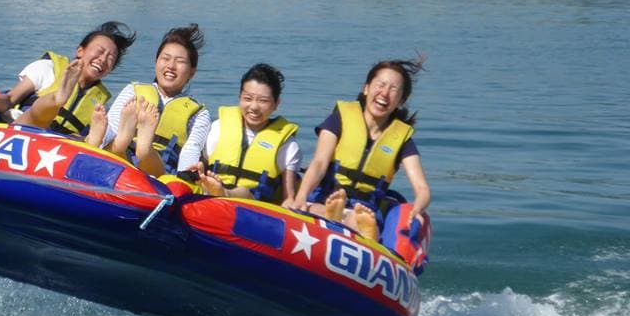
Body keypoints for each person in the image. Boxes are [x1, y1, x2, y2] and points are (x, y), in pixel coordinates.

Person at [289, 59, 431, 240]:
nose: (385, 93)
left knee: (359, 220)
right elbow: (319, 163)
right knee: (313, 208)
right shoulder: (339, 118)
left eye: (393, 89)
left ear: (400, 101)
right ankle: (335, 217)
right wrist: (301, 196)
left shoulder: (402, 140)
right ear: (366, 88)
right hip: (326, 196)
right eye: (381, 85)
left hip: (364, 208)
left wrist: (417, 209)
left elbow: (422, 188)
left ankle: (344, 223)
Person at [93, 24, 210, 177]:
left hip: (160, 173)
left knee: (144, 157)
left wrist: (186, 175)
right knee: (114, 138)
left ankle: (145, 148)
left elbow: (191, 149)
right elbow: (114, 126)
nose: (171, 66)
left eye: (180, 61)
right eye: (165, 59)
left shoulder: (198, 113)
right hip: (123, 161)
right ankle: (105, 141)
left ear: (192, 72)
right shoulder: (134, 91)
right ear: (156, 62)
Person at [0, 21, 136, 137]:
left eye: (111, 58)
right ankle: (57, 98)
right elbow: (10, 98)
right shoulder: (48, 68)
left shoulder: (100, 103)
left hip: (55, 149)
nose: (103, 59)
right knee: (38, 115)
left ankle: (57, 101)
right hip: (20, 131)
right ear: (80, 51)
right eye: (100, 51)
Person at [198, 63, 300, 204]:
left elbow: (288, 197)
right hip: (210, 200)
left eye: (263, 101)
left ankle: (224, 193)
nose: (254, 107)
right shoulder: (218, 128)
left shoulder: (287, 146)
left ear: (276, 103)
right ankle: (217, 191)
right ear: (239, 97)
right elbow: (202, 166)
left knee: (245, 192)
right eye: (247, 98)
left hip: (254, 208)